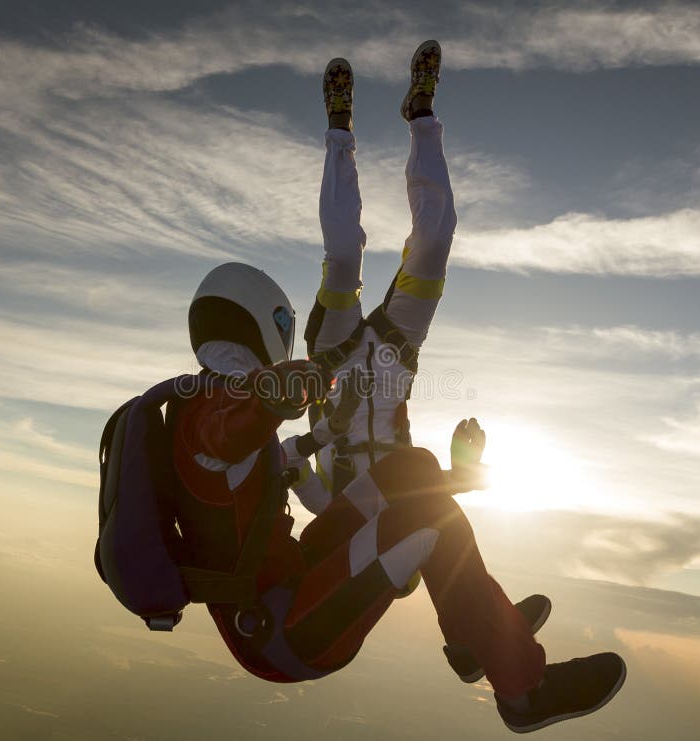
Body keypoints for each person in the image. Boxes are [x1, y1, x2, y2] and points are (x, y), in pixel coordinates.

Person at [171, 41, 626, 734]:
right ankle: (521, 687)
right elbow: (244, 425)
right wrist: (297, 393)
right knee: (424, 517)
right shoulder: (215, 413)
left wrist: (315, 428)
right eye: (279, 327)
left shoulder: (212, 406)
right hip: (284, 628)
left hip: (293, 576)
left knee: (415, 472)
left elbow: (271, 454)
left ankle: (474, 631)